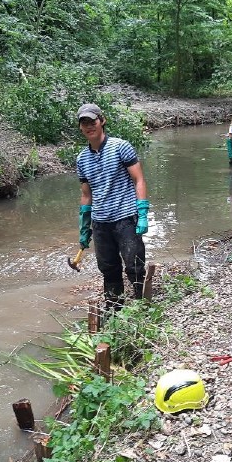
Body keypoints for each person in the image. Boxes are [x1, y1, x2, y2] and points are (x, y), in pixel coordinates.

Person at [76, 103, 150, 310]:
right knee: (108, 268)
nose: (89, 126)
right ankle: (114, 308)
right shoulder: (81, 159)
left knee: (134, 265)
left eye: (93, 121)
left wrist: (142, 212)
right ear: (81, 128)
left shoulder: (121, 147)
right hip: (101, 223)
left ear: (102, 121)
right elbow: (86, 194)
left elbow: (139, 180)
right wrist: (84, 226)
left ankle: (141, 306)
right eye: (84, 123)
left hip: (126, 217)